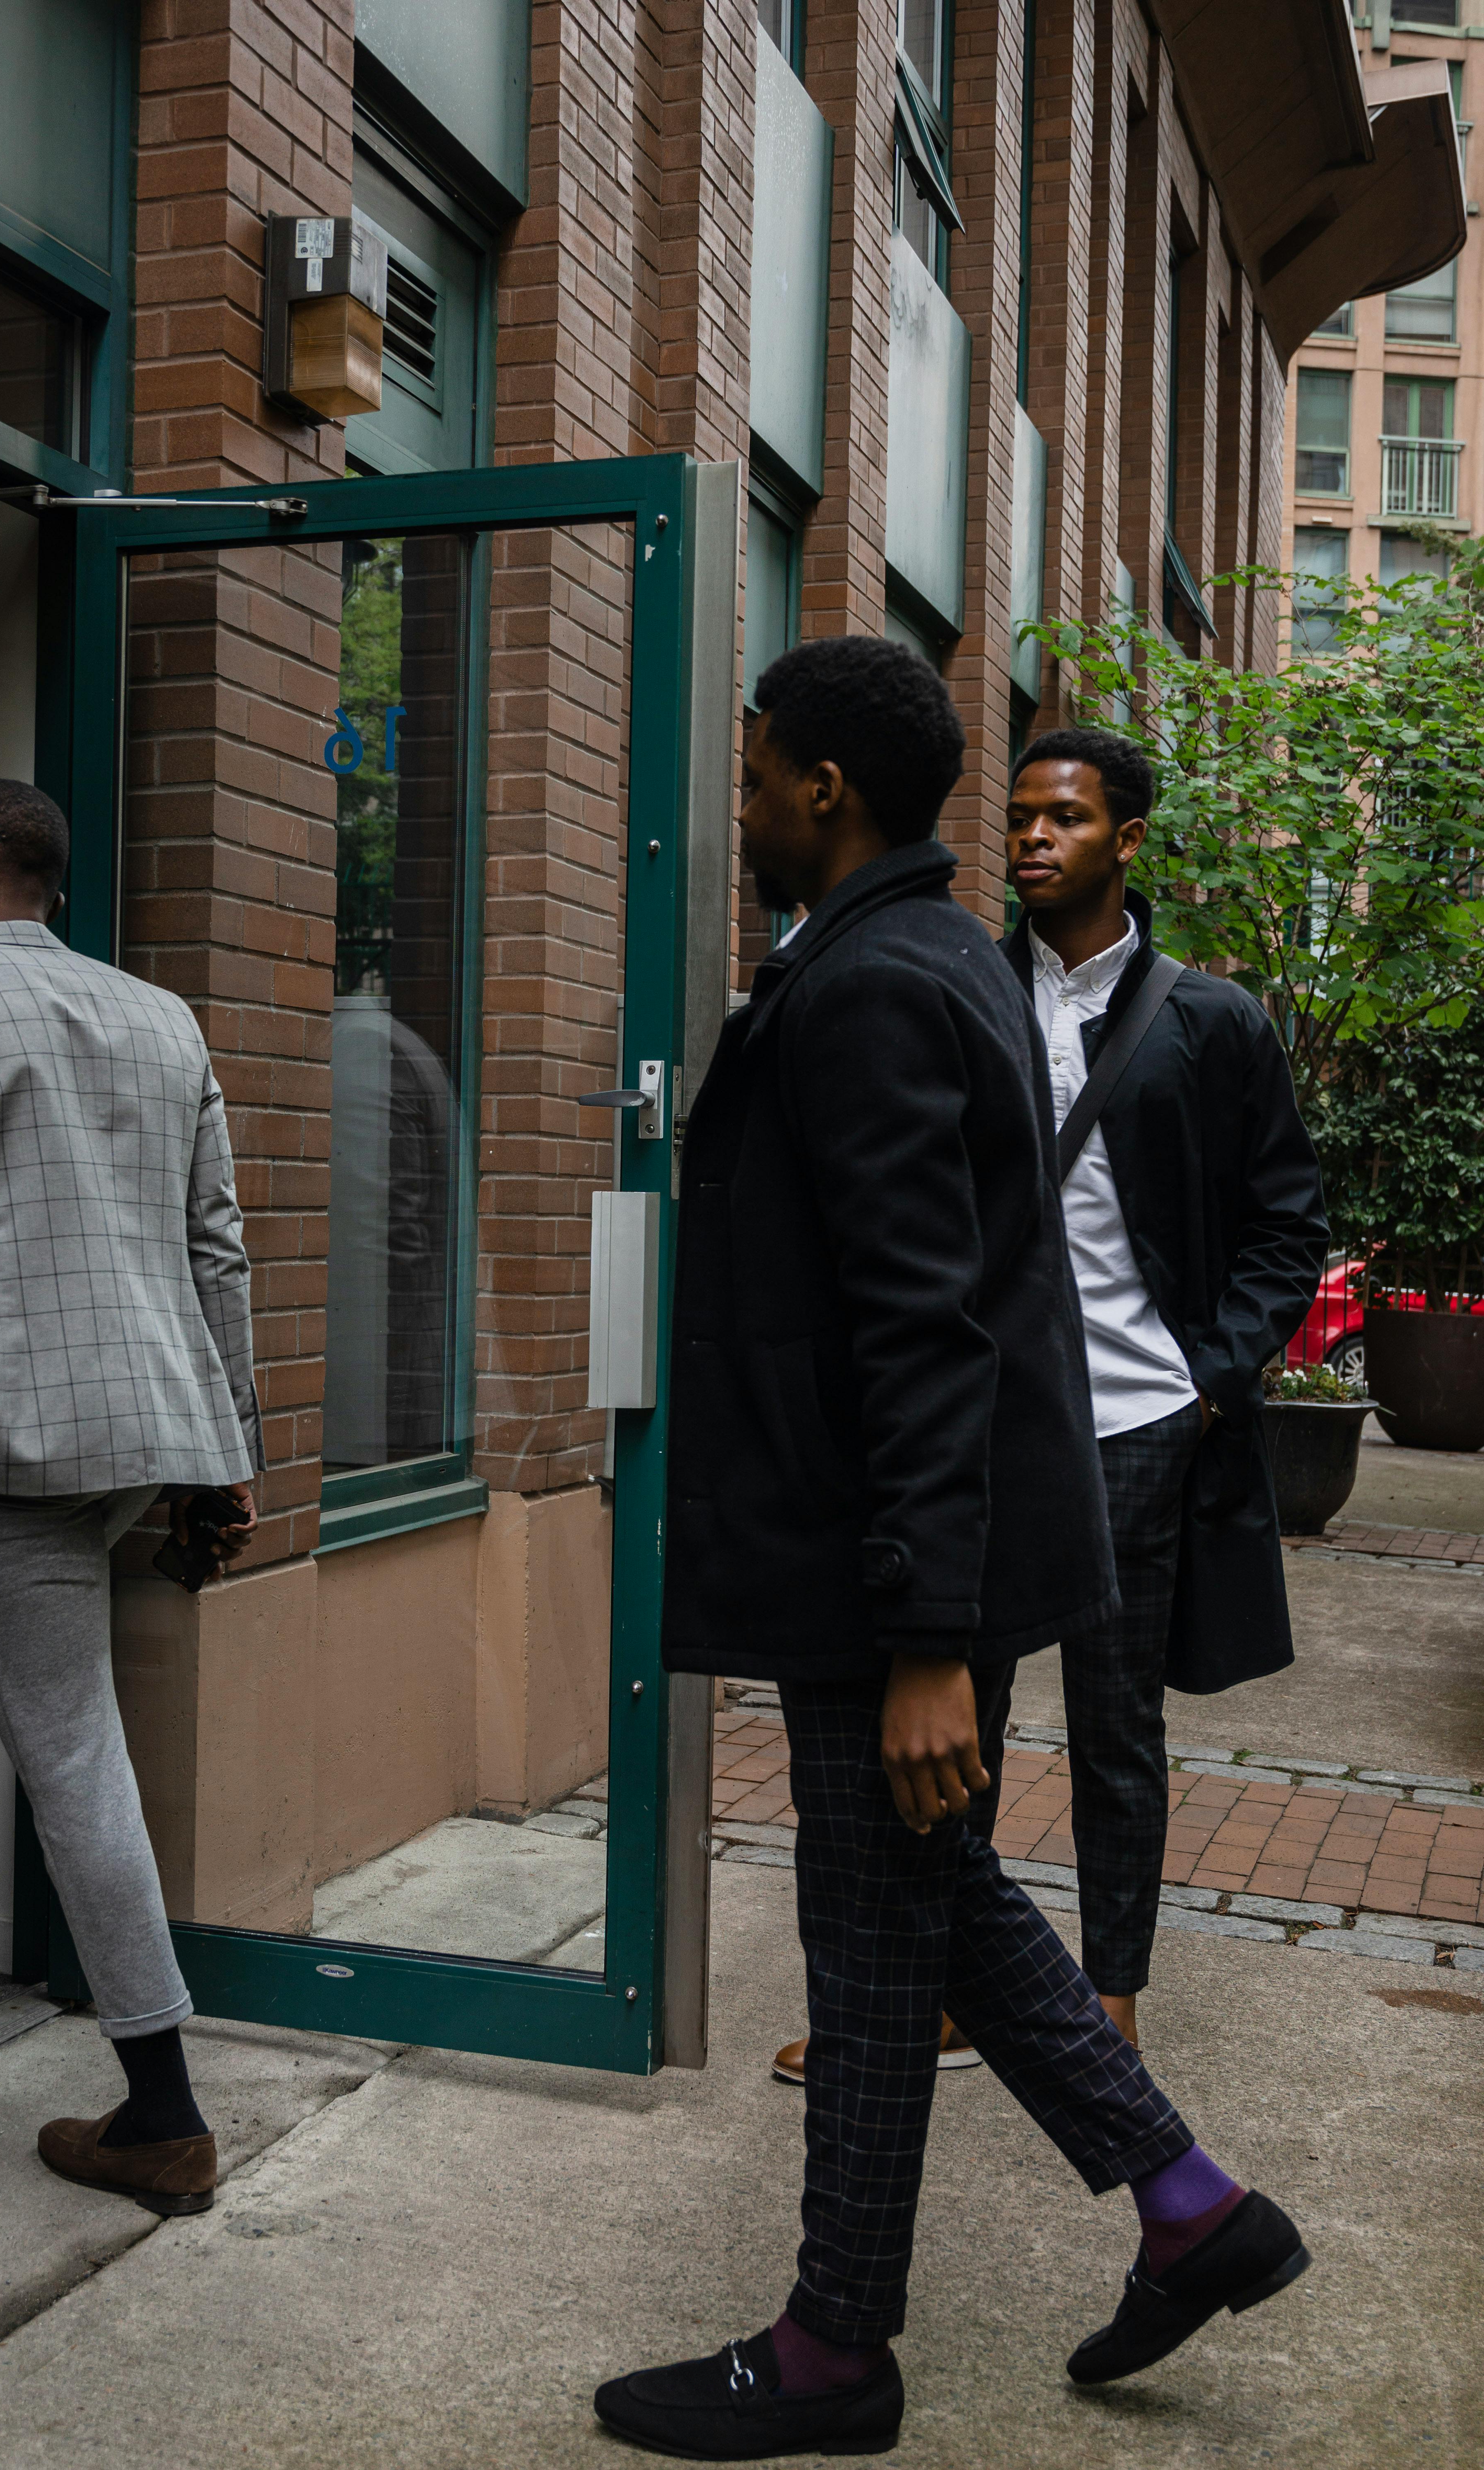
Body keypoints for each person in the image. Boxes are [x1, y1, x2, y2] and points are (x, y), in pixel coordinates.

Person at [593, 642, 1309, 2461]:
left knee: (871, 1944)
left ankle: (837, 2346)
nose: (744, 796)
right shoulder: (919, 957)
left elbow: (927, 1325)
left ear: (826, 787)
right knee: (923, 1892)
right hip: (894, 1551)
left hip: (889, 1569)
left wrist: (923, 1638)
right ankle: (1189, 2208)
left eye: (759, 768)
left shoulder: (879, 984)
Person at [0, 780, 262, 2218]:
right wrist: (225, 1452)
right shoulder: (162, 1018)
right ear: (58, 888)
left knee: (70, 1749)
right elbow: (218, 1249)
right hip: (130, 1448)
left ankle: (164, 2112)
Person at [993, 728, 1328, 2050]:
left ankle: (1107, 2007)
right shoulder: (965, 990)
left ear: (1127, 840)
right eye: (1021, 816)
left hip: (1139, 1426)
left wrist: (1213, 1381)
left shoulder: (1212, 1019)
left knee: (1114, 1729)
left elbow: (1287, 1224)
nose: (1034, 837)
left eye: (1066, 818)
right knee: (946, 1722)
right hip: (984, 1424)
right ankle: (947, 1985)